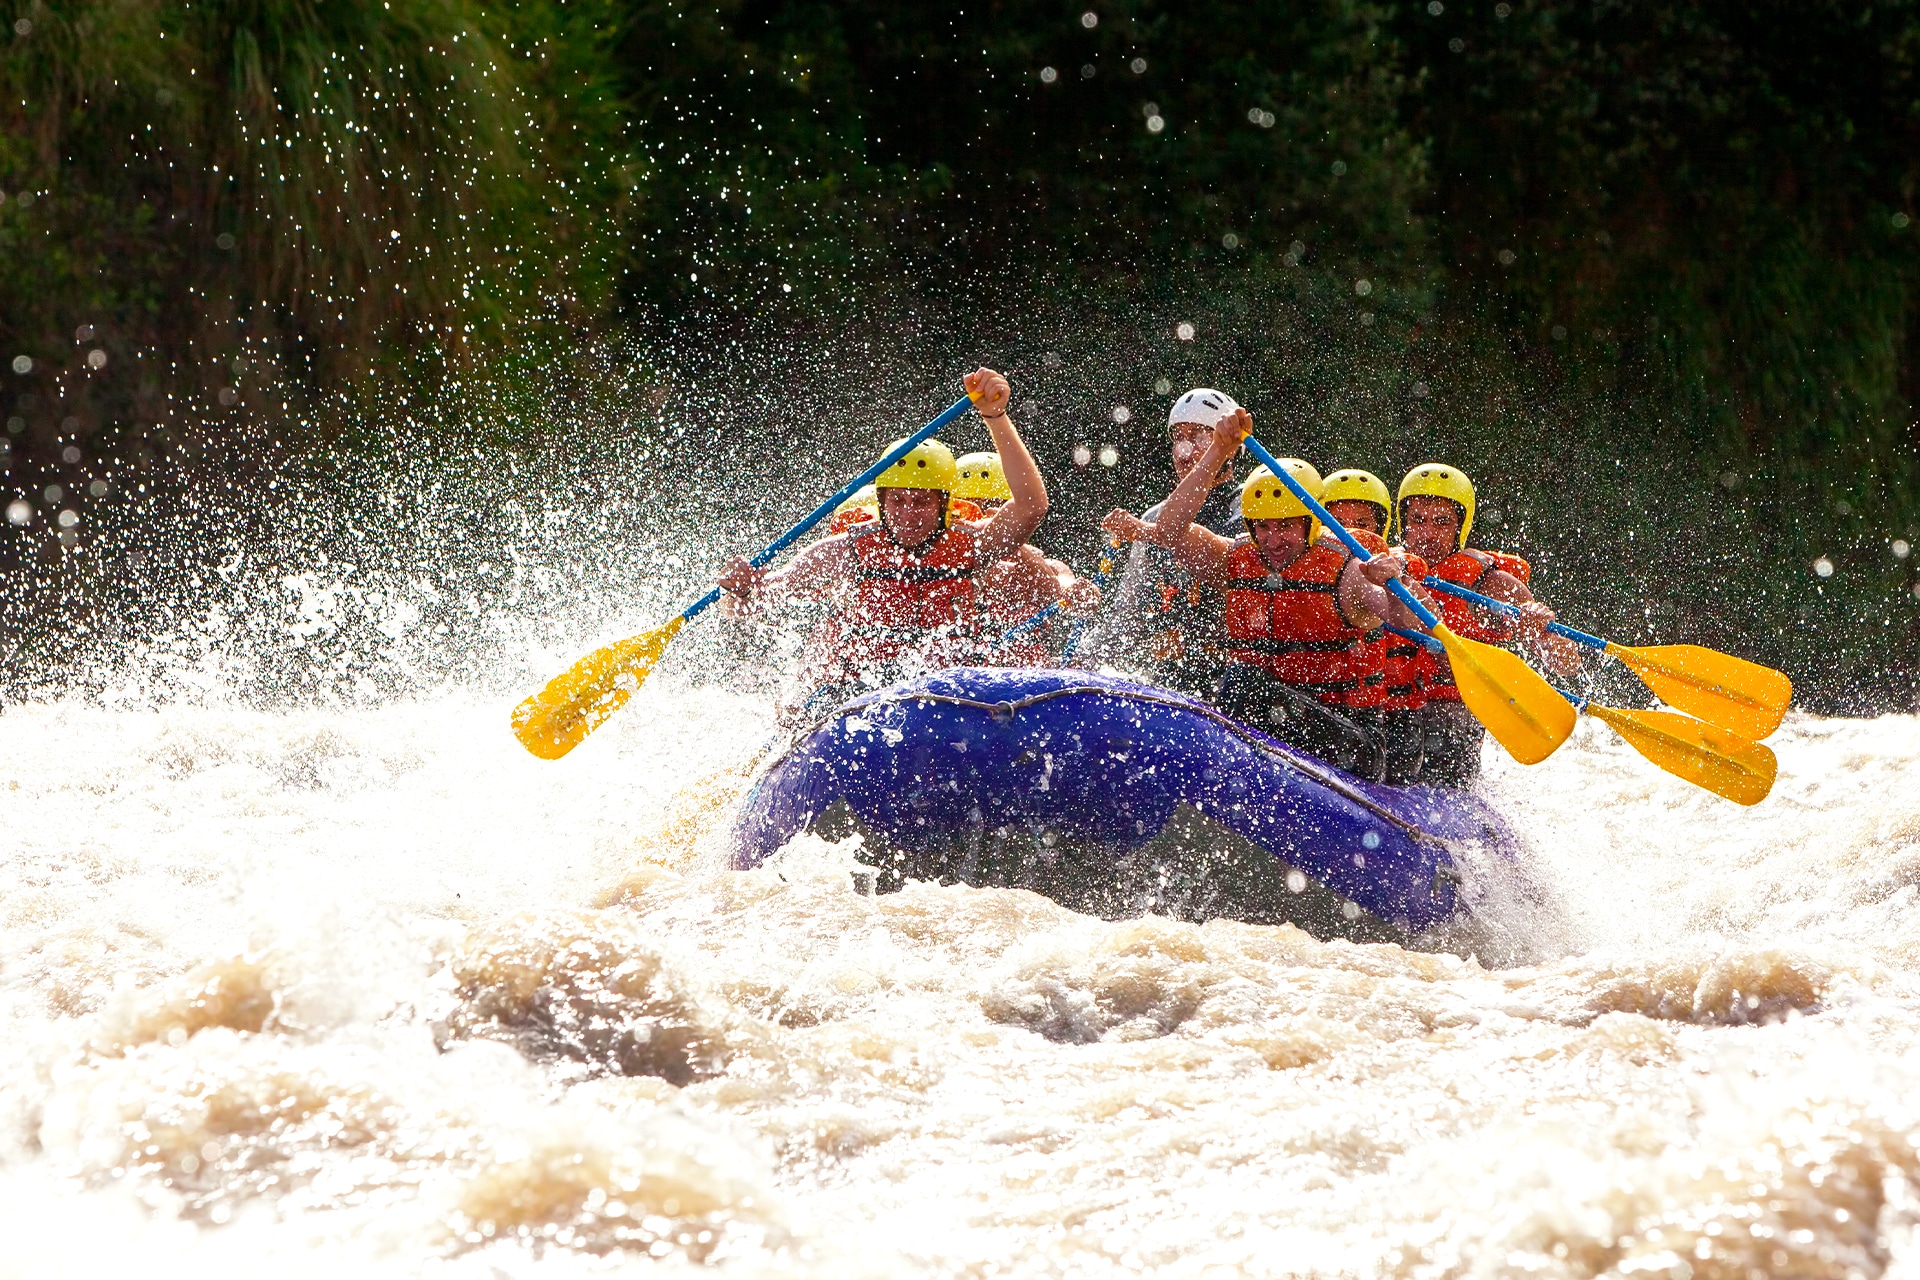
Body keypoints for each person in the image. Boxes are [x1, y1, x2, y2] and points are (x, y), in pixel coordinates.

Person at [717, 368, 1047, 715]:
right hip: (860, 695)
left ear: (944, 504)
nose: (907, 513)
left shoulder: (972, 544)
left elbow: (1031, 506)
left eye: (921, 502)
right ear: (881, 501)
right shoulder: (845, 551)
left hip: (948, 695)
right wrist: (743, 591)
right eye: (897, 500)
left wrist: (996, 417)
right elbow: (753, 604)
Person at [1148, 411, 1428, 780]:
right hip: (1278, 722)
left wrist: (1395, 586)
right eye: (1262, 527)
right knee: (1192, 674)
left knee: (1242, 685)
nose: (1274, 540)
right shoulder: (1237, 559)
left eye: (1286, 527)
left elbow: (1410, 621)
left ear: (1311, 522)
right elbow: (1168, 531)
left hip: (1352, 742)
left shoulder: (1348, 572)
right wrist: (1217, 451)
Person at [1393, 463, 1581, 784]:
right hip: (1394, 707)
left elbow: (1566, 664)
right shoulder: (1382, 568)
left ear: (1460, 527)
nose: (1428, 534)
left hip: (1452, 717)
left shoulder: (1492, 584)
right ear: (1403, 523)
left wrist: (1537, 627)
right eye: (1418, 521)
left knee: (1438, 734)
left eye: (1442, 522)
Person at [1085, 388, 1245, 693]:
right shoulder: (1155, 515)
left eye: (1198, 436)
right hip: (1164, 680)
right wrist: (1084, 661)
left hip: (1228, 680)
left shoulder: (1248, 507)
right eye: (1178, 438)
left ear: (1230, 448)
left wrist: (1144, 531)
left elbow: (1225, 560)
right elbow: (1127, 616)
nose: (1183, 451)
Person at [1315, 468, 1430, 783]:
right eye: (1337, 521)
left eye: (1362, 524)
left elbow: (1424, 619)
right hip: (1334, 712)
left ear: (1381, 529)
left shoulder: (1395, 566)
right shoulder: (1309, 570)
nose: (1348, 532)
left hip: (1395, 721)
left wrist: (1397, 580)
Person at [952, 451, 1100, 664]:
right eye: (969, 509)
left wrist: (1080, 593)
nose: (980, 521)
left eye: (992, 510)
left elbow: (1061, 588)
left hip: (1025, 675)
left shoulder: (1044, 564)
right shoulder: (940, 567)